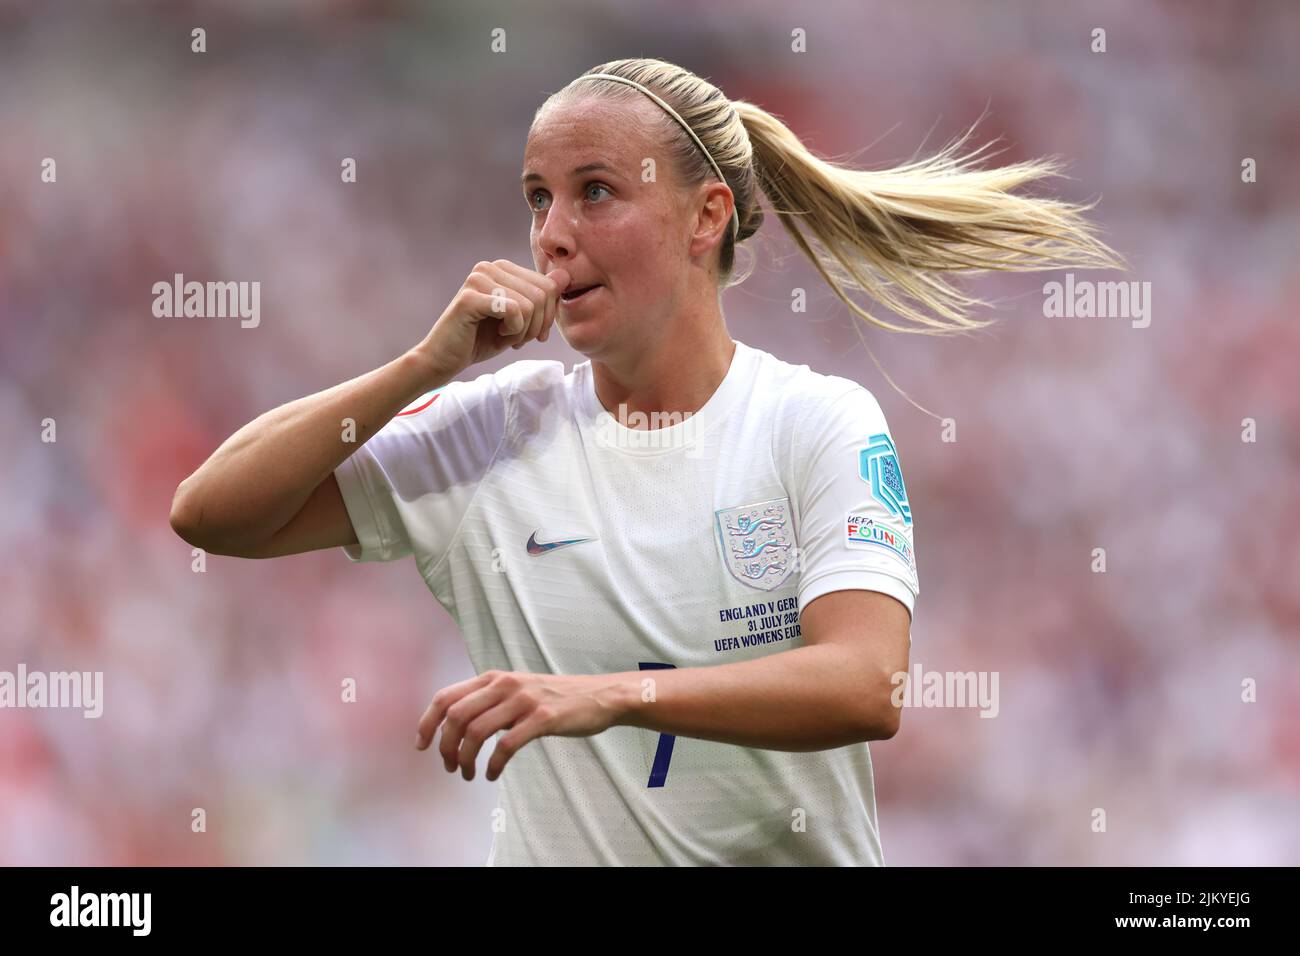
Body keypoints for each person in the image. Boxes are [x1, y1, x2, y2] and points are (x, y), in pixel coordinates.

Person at [170, 57, 1123, 865]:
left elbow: (866, 685)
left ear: (707, 216)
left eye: (596, 192)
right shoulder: (491, 430)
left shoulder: (813, 422)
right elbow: (211, 513)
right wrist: (423, 366)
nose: (552, 232)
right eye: (539, 198)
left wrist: (610, 697)